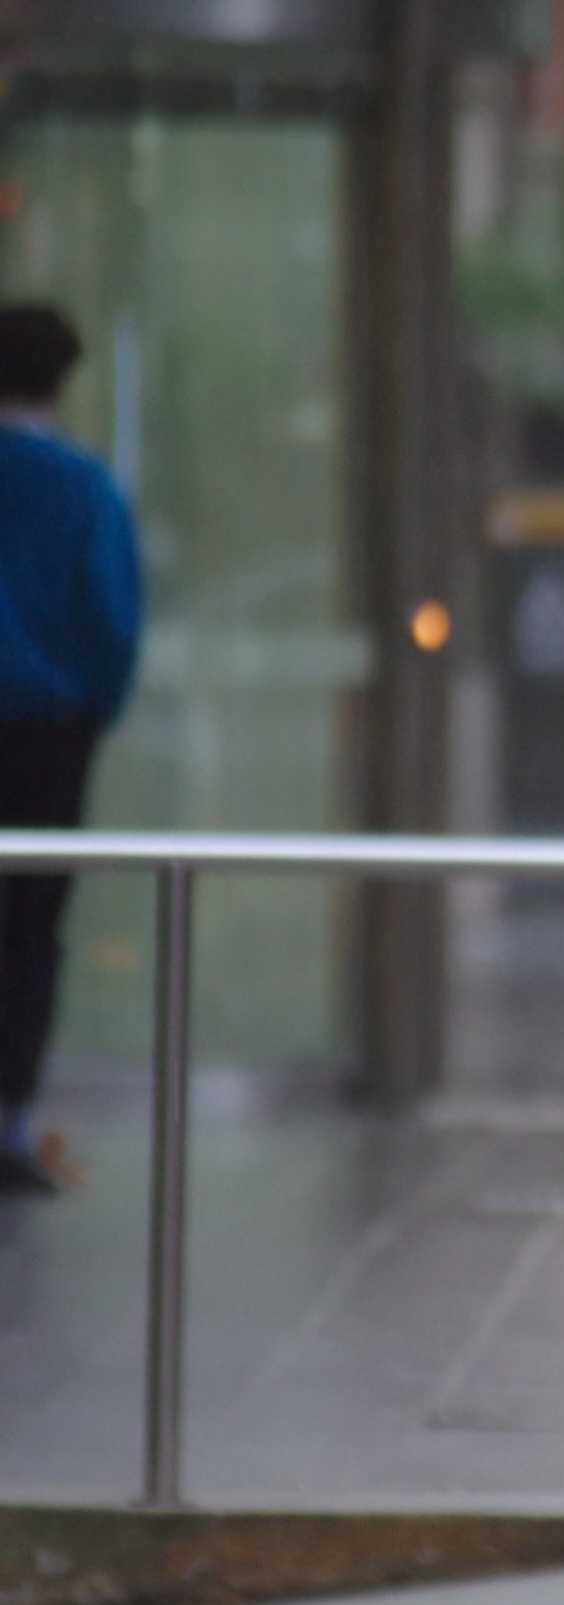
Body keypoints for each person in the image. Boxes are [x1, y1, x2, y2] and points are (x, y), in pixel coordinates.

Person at [0, 303, 141, 1198]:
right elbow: (112, 618)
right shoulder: (81, 486)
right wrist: (96, 709)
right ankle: (8, 1115)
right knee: (28, 925)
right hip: (48, 731)